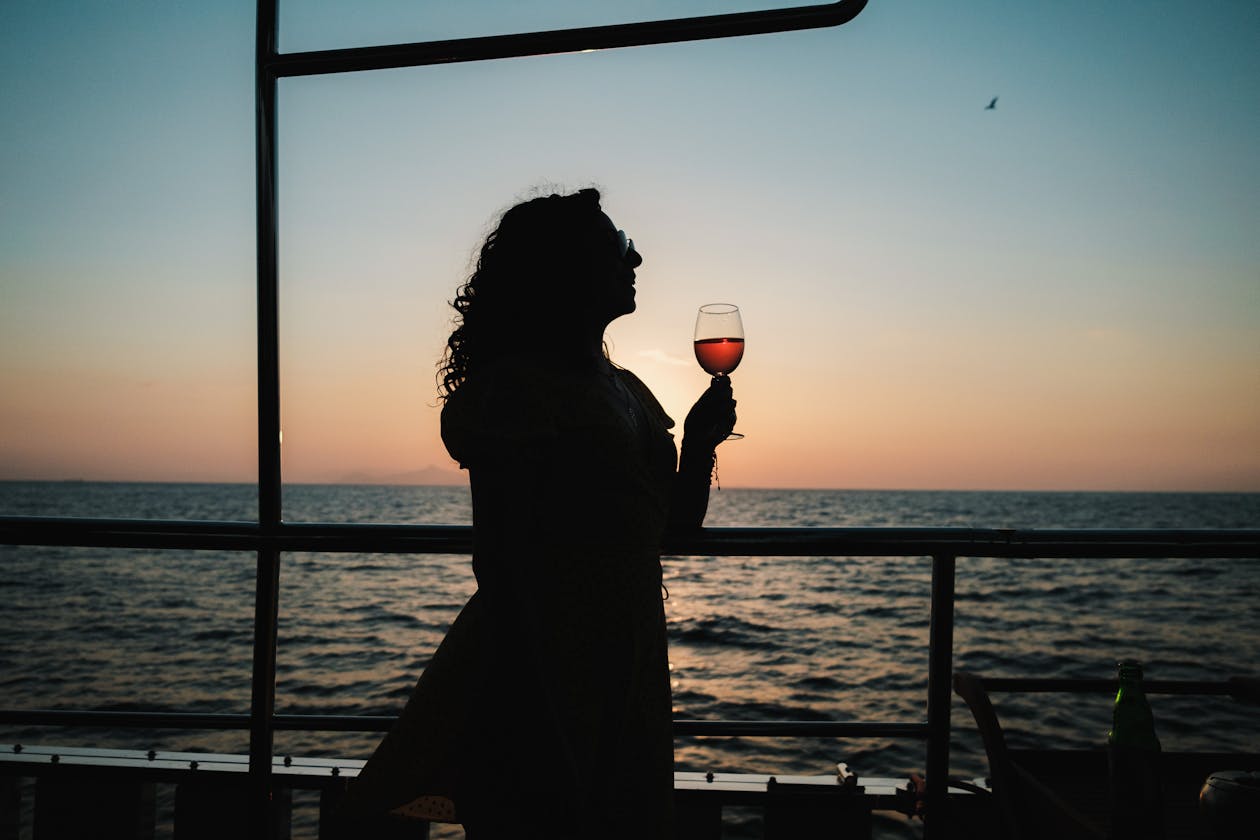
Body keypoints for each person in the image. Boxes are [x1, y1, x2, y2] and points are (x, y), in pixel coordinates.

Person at [343, 188, 737, 838]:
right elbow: (499, 560)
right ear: (567, 267)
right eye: (617, 245)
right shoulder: (515, 391)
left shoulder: (628, 390)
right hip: (544, 674)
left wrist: (697, 446)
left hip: (629, 662)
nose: (636, 255)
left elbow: (669, 528)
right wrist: (540, 694)